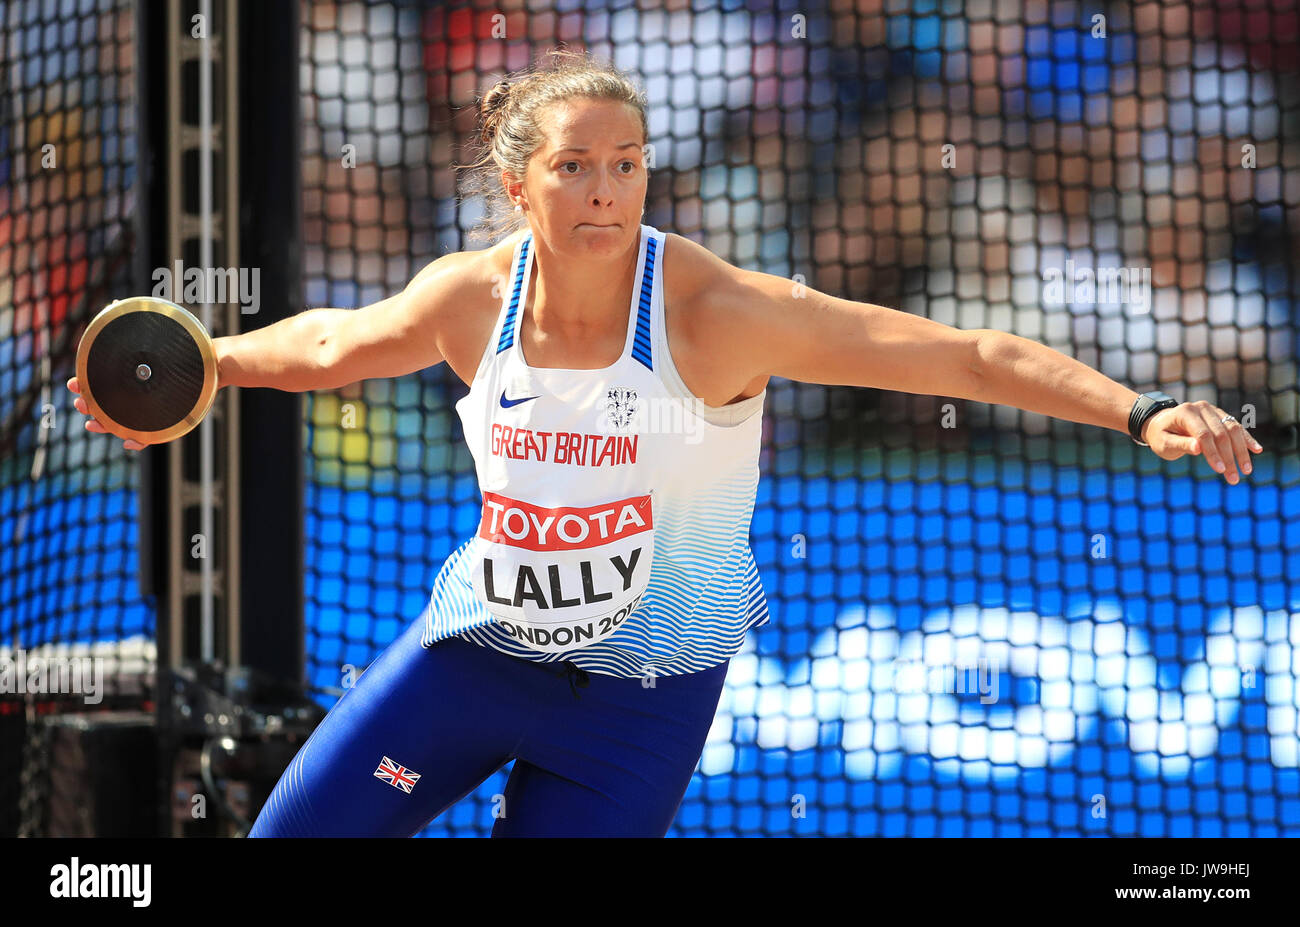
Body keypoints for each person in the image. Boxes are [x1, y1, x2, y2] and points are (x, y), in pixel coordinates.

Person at [67, 49, 1263, 837]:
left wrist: (1133, 407)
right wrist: (210, 365)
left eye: (625, 167)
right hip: (473, 656)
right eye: (575, 167)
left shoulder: (713, 314)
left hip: (641, 707)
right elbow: (333, 345)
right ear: (516, 179)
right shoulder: (468, 297)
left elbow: (957, 356)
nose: (605, 193)